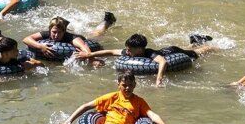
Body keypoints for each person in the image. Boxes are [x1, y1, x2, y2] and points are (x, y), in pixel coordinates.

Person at [77, 32, 216, 86]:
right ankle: (195, 39)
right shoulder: (129, 52)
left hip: (172, 53)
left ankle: (213, 47)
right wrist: (89, 55)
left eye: (130, 50)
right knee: (190, 48)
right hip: (167, 50)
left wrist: (158, 79)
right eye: (127, 49)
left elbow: (163, 62)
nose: (127, 52)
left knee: (196, 53)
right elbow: (111, 52)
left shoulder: (149, 53)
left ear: (140, 50)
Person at [23, 13, 116, 60]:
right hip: (51, 43)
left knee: (96, 34)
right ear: (50, 30)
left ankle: (107, 21)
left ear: (64, 31)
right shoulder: (46, 33)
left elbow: (84, 47)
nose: (56, 35)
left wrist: (91, 60)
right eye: (54, 32)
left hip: (85, 40)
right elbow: (26, 39)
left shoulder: (71, 37)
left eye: (59, 32)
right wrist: (41, 47)